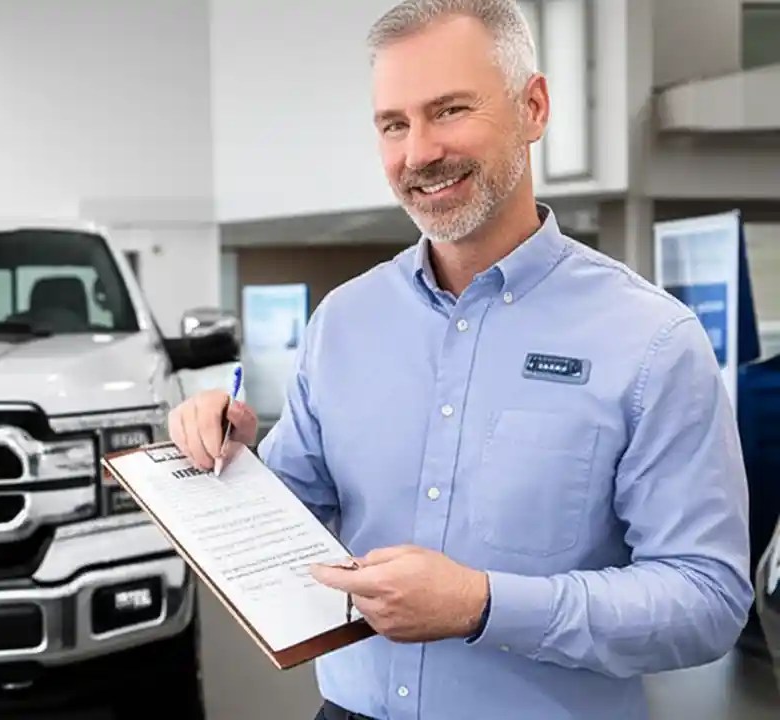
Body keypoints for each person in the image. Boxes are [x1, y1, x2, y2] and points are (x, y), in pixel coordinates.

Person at [166, 1, 754, 718]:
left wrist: (483, 604)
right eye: (394, 124)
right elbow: (296, 521)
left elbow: (708, 598)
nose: (418, 153)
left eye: (449, 111)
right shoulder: (343, 323)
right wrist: (225, 461)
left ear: (533, 107)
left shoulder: (652, 341)